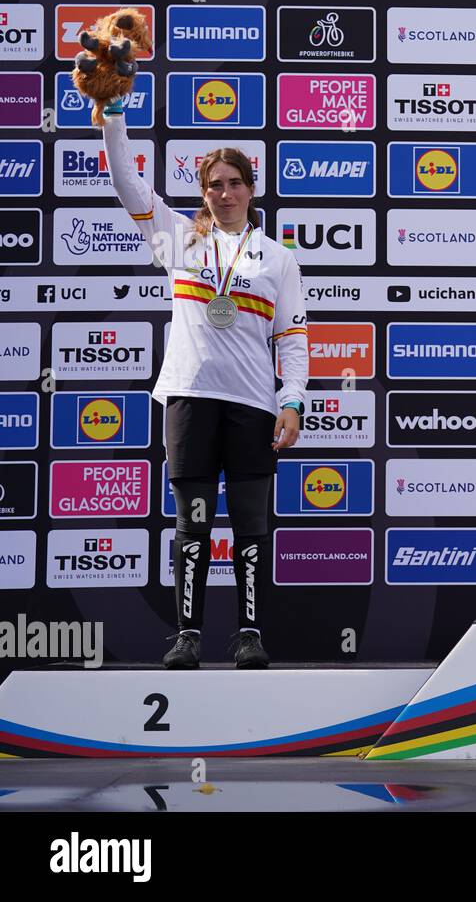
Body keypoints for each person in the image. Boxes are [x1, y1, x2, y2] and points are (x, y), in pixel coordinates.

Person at [96, 84, 308, 669]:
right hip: (189, 399)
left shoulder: (278, 258)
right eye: (214, 184)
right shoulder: (178, 240)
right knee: (192, 525)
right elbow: (126, 182)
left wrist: (291, 401)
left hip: (251, 405)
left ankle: (249, 635)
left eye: (235, 182)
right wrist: (112, 114)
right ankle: (187, 635)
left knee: (249, 528)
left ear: (251, 189)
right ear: (204, 194)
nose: (225, 193)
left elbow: (292, 337)